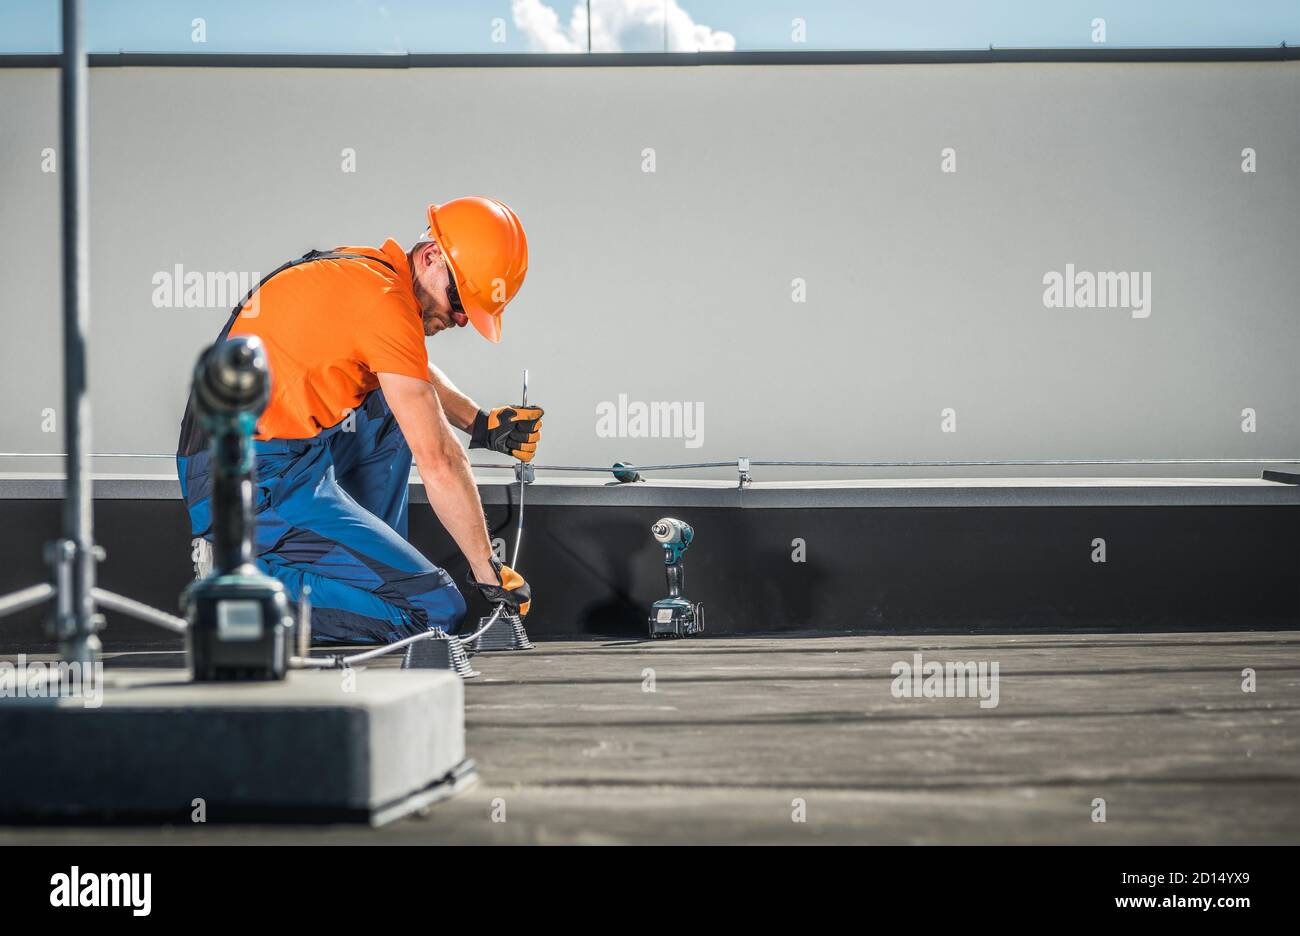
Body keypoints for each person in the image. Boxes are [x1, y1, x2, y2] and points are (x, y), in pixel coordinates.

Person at [176, 196, 540, 643]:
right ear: (430, 258)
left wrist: (480, 424)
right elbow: (440, 460)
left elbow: (408, 372)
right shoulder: (384, 303)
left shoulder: (369, 275)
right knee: (434, 613)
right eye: (460, 300)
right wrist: (488, 570)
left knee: (392, 404)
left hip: (282, 455)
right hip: (247, 480)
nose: (462, 320)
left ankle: (375, 575)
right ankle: (237, 589)